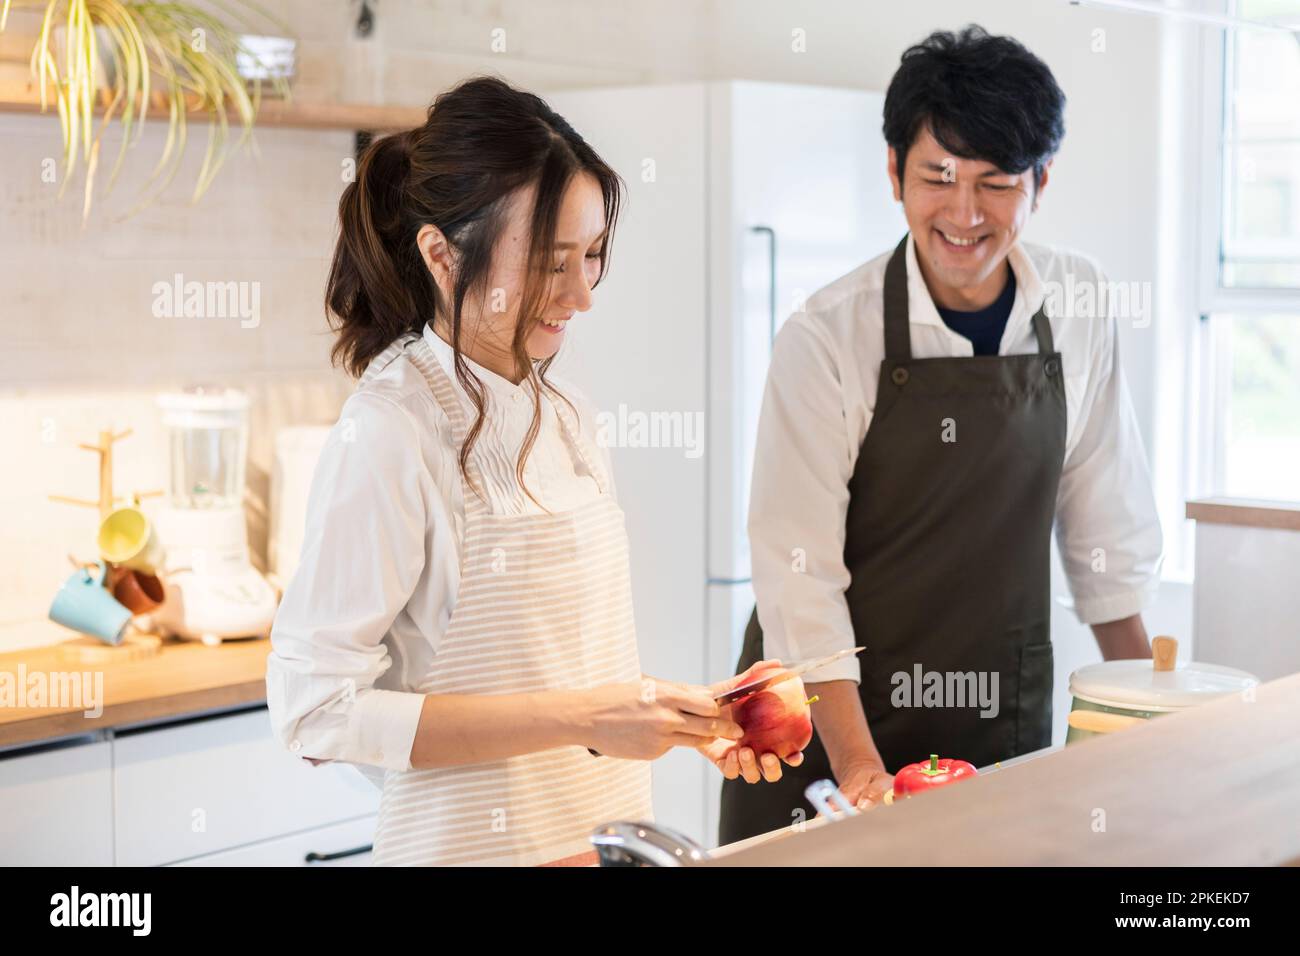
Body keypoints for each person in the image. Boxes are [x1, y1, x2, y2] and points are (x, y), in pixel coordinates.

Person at [266, 77, 795, 867]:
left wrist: (681, 714)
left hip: (599, 846)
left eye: (591, 257)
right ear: (442, 255)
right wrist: (585, 719)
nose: (581, 296)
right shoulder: (390, 429)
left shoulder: (568, 413)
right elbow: (315, 711)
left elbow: (560, 679)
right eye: (552, 264)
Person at [719, 26, 1163, 845]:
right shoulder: (826, 336)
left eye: (997, 184)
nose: (965, 214)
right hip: (829, 714)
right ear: (894, 173)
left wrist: (1150, 723)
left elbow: (1106, 527)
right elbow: (799, 575)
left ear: (1042, 182)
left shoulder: (1081, 302)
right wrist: (858, 769)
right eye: (938, 178)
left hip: (995, 698)